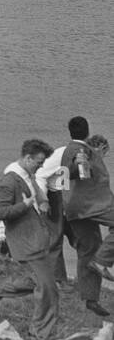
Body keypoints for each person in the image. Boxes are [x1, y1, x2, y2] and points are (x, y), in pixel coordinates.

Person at [0, 139, 61, 339]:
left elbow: (33, 184)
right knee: (48, 289)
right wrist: (25, 206)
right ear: (27, 158)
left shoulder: (27, 174)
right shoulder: (9, 181)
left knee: (34, 282)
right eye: (39, 162)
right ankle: (39, 332)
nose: (41, 166)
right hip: (27, 243)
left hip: (36, 238)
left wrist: (42, 200)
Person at [57, 120, 114, 315]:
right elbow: (81, 172)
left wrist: (65, 205)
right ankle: (102, 261)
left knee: (88, 249)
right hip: (91, 206)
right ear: (88, 132)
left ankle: (90, 299)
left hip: (74, 210)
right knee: (95, 253)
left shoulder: (66, 151)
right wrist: (82, 166)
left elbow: (62, 181)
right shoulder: (82, 150)